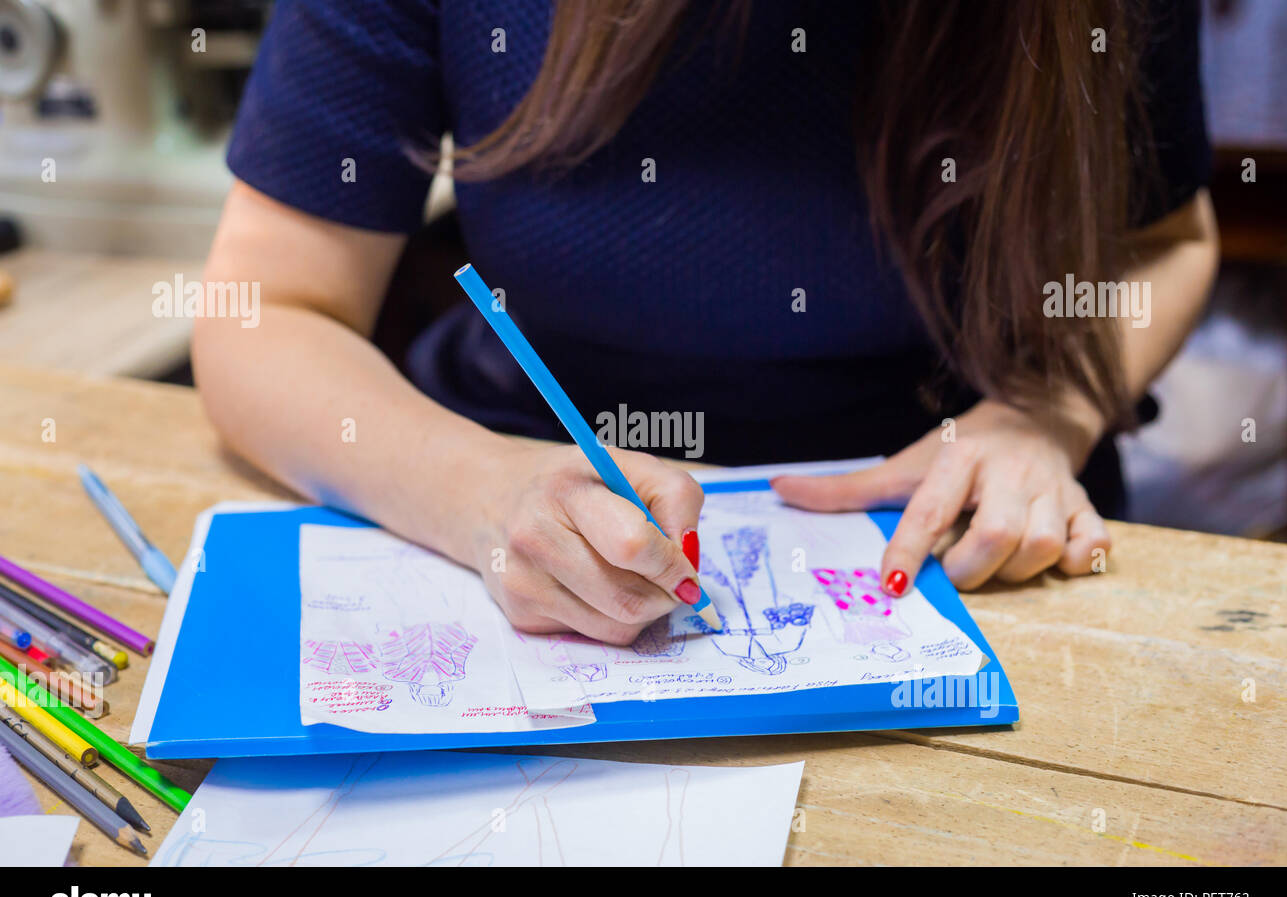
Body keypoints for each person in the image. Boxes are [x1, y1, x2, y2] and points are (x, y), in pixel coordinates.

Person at [193, 0, 1219, 646]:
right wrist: (479, 488)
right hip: (507, 478)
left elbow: (1162, 242)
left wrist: (1043, 416)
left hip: (967, 537)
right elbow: (265, 311)